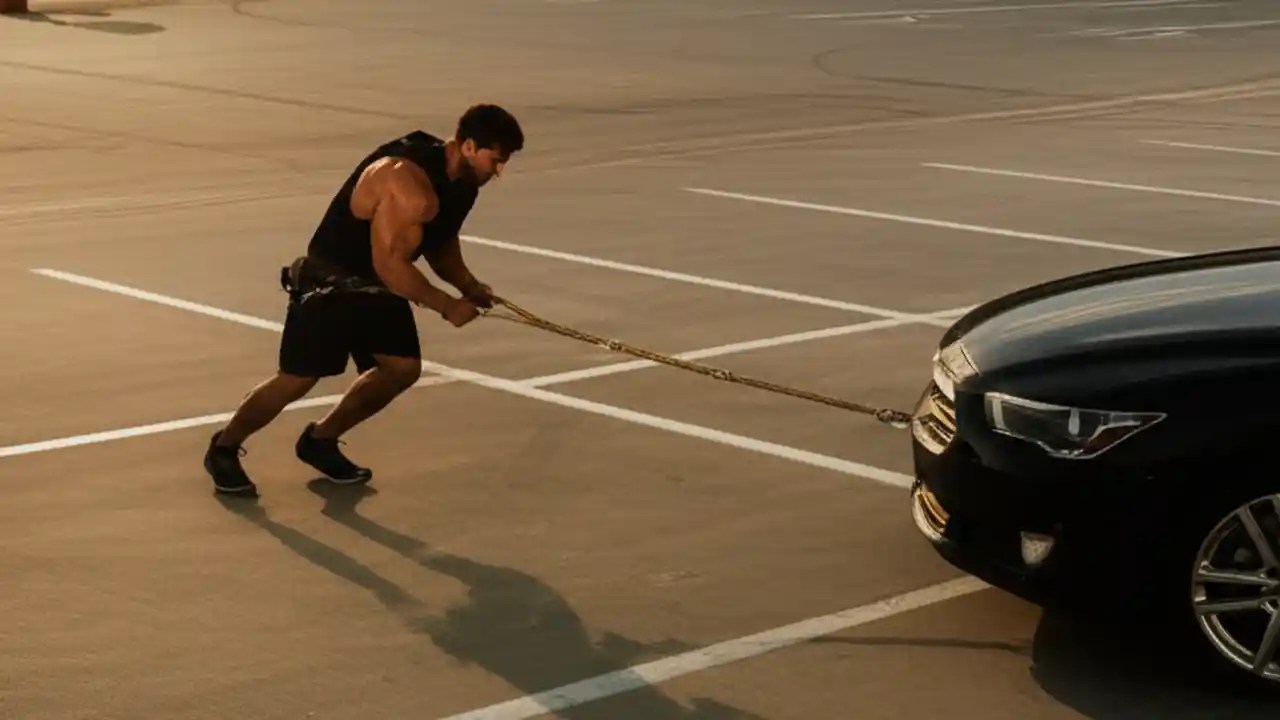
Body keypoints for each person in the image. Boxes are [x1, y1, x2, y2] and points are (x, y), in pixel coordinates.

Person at [203, 103, 524, 496]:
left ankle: (319, 440)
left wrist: (469, 286)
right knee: (297, 379)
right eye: (497, 160)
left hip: (377, 285)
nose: (498, 171)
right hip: (331, 283)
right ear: (470, 146)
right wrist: (446, 305)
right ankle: (224, 447)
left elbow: (440, 242)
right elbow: (390, 264)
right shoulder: (406, 182)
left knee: (401, 369)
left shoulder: (463, 184)